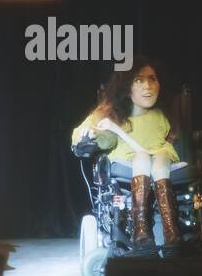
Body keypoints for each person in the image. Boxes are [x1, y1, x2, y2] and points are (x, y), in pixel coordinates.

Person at [71, 57, 183, 256]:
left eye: (152, 79)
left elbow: (166, 139)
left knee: (159, 160)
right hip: (128, 157)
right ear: (127, 86)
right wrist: (85, 134)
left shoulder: (161, 114)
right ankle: (141, 230)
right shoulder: (111, 114)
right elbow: (83, 129)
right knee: (141, 158)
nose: (147, 86)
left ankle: (171, 232)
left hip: (159, 154)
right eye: (139, 80)